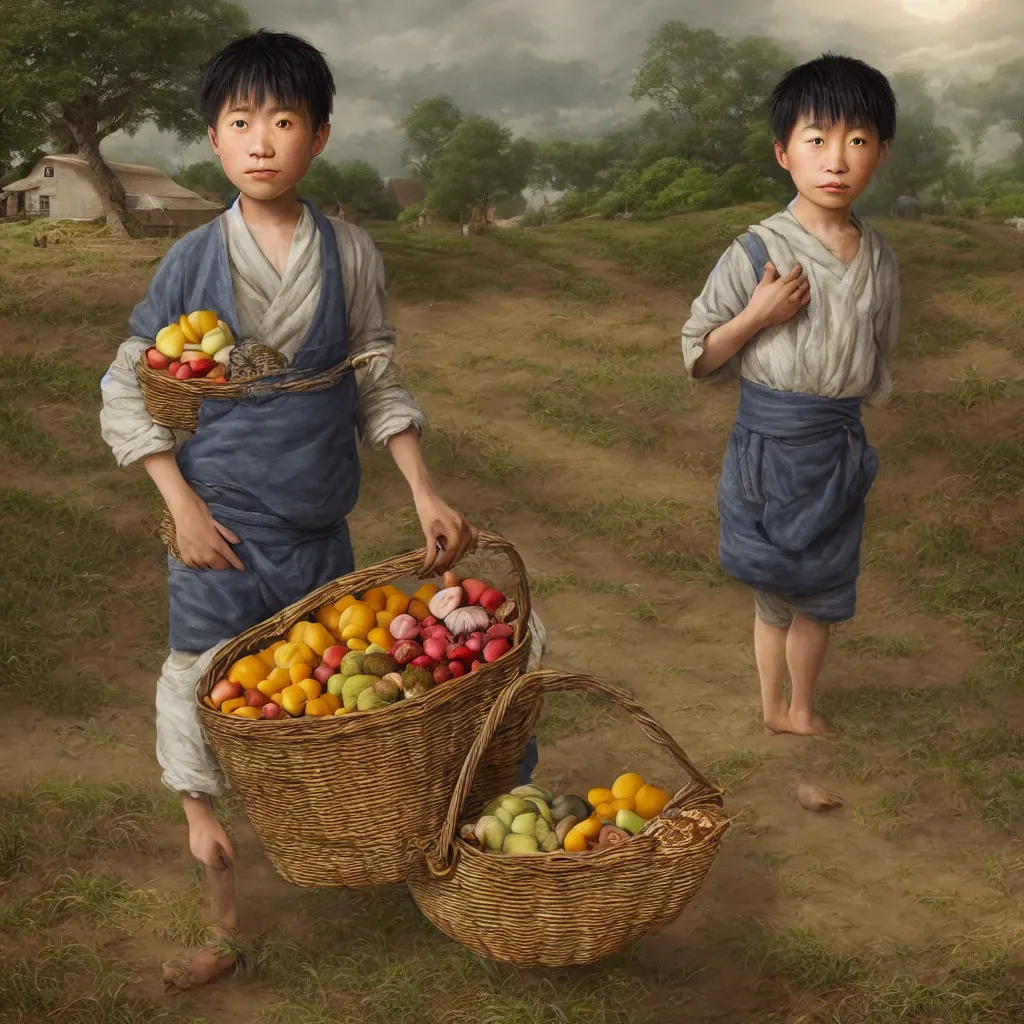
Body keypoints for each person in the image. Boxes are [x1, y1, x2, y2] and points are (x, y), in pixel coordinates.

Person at [99, 30, 545, 991]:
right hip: (219, 538)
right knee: (200, 700)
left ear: (321, 136)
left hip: (321, 535)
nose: (262, 141)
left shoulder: (350, 253)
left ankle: (390, 863)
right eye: (240, 122)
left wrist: (423, 488)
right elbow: (128, 386)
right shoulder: (189, 259)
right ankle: (222, 916)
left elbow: (378, 381)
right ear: (213, 140)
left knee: (332, 703)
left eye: (285, 122)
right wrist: (179, 503)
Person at [680, 53, 901, 738]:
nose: (837, 158)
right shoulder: (755, 250)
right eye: (817, 139)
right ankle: (772, 708)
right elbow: (699, 352)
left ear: (880, 154)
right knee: (777, 587)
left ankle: (802, 707)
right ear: (784, 152)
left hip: (834, 447)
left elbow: (880, 347)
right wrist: (758, 316)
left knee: (825, 589)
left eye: (857, 140)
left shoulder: (880, 256)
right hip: (770, 449)